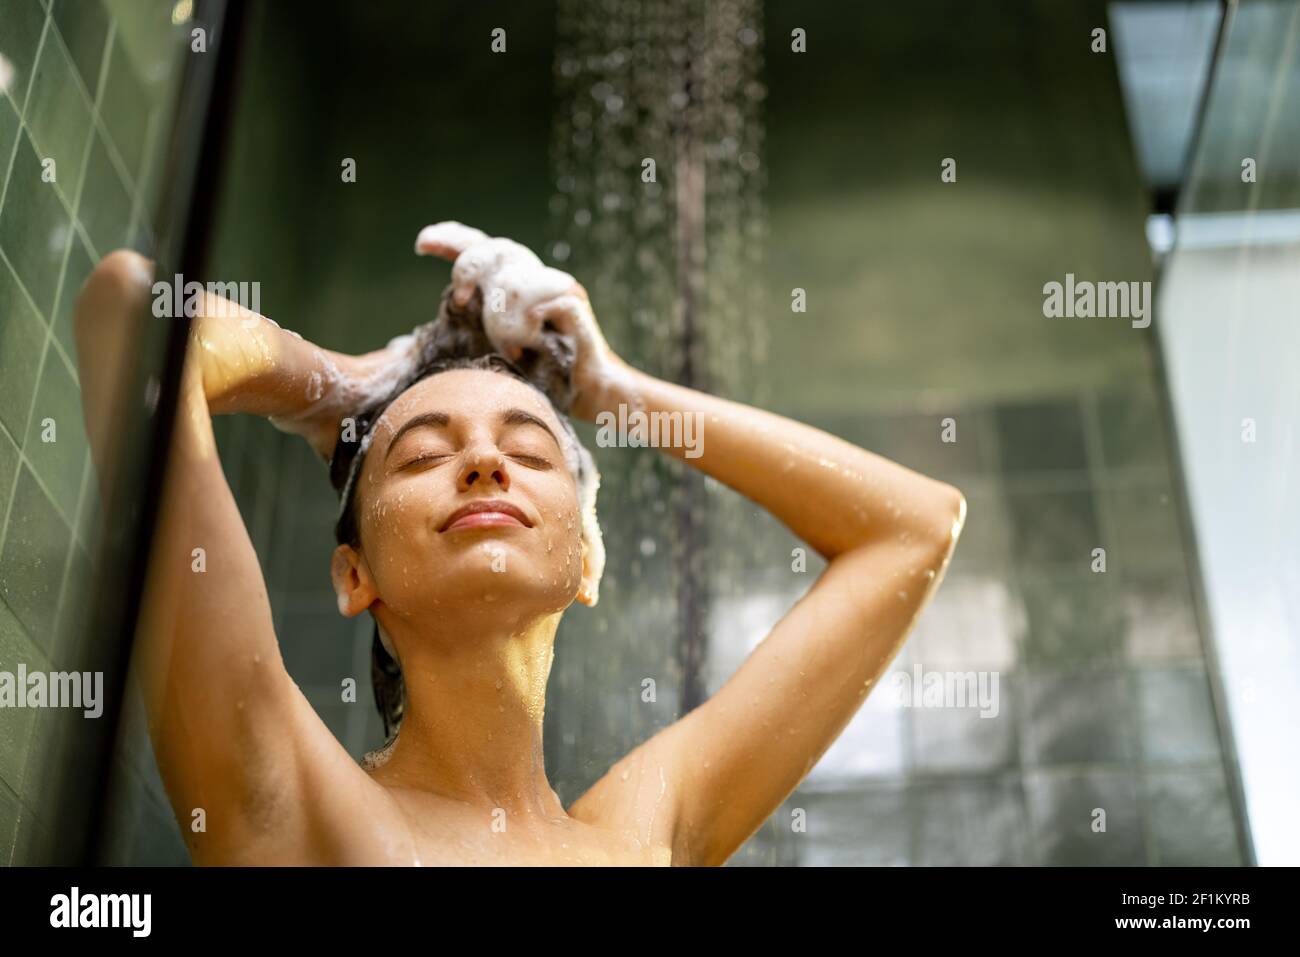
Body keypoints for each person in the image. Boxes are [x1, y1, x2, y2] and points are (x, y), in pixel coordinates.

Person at [74, 222, 966, 866]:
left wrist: (608, 387)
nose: (484, 461)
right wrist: (341, 391)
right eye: (423, 452)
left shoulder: (641, 838)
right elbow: (128, 314)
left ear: (588, 561)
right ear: (355, 575)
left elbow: (913, 526)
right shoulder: (295, 808)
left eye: (531, 449)